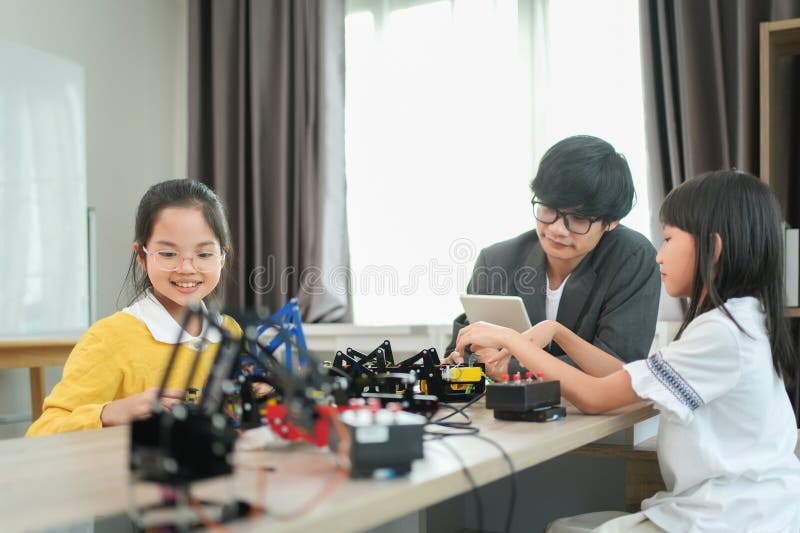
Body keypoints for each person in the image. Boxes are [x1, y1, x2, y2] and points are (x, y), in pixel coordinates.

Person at [455, 170, 800, 532]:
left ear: (711, 248)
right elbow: (624, 374)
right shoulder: (743, 320)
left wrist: (512, 340)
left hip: (729, 517)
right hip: (750, 509)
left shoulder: (720, 334)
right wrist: (554, 331)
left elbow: (596, 397)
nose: (659, 257)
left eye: (668, 239)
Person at [27, 179, 241, 436]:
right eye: (168, 254)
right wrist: (107, 413)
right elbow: (42, 431)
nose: (187, 268)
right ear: (141, 256)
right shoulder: (109, 338)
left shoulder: (230, 331)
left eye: (204, 254)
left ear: (222, 257)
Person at [446, 135, 660, 378]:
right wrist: (466, 357)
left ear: (611, 222)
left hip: (597, 413)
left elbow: (618, 366)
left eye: (578, 219)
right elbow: (462, 347)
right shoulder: (496, 260)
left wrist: (511, 367)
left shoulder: (632, 258)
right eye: (548, 209)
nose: (557, 229)